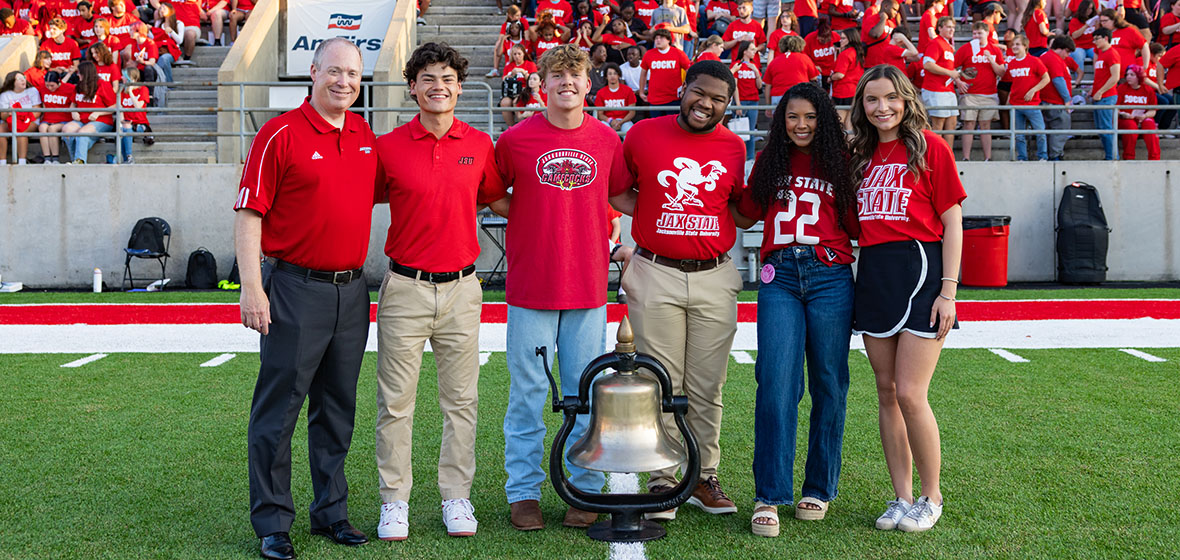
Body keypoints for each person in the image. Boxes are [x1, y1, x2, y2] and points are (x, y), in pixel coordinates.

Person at [233, 38, 377, 560]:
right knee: (279, 409)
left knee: (337, 409)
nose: (344, 82)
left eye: (353, 75)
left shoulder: (364, 134)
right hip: (294, 287)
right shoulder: (280, 133)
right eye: (334, 71)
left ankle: (331, 512)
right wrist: (252, 287)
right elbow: (249, 215)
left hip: (354, 291)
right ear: (312, 72)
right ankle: (273, 522)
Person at [495, 43, 632, 532]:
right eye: (557, 76)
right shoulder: (514, 139)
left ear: (588, 84)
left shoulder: (607, 141)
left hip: (588, 287)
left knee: (585, 393)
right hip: (532, 285)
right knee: (528, 394)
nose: (567, 84)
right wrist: (533, 217)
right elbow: (493, 193)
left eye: (575, 77)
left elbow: (619, 196)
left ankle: (583, 488)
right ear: (542, 84)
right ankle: (523, 492)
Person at [372, 42, 505, 542]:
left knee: (461, 401)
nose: (438, 86)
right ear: (412, 87)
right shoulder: (388, 146)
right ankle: (394, 502)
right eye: (428, 78)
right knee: (395, 403)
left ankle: (456, 497)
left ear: (460, 87)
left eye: (447, 78)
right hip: (405, 287)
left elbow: (503, 201)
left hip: (462, 289)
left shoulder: (480, 143)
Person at [609, 59, 746, 523]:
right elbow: (620, 193)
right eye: (699, 93)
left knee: (709, 384)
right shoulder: (643, 134)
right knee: (659, 380)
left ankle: (703, 474)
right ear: (683, 89)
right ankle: (664, 477)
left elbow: (735, 206)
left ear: (729, 105)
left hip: (713, 274)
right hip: (656, 271)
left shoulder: (733, 146)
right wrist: (655, 221)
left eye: (718, 99)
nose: (705, 104)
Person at [735, 82, 858, 537]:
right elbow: (745, 213)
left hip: (829, 273)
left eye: (809, 117)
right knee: (775, 381)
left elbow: (856, 225)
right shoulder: (771, 160)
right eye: (792, 117)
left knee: (829, 381)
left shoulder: (841, 161)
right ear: (780, 120)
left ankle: (819, 487)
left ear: (822, 118)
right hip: (780, 274)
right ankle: (769, 492)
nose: (800, 125)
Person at [848, 63, 964, 534]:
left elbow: (953, 220)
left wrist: (949, 292)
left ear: (906, 100)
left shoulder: (929, 147)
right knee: (886, 392)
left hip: (921, 270)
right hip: (875, 272)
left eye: (891, 98)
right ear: (862, 105)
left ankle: (931, 497)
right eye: (872, 100)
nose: (882, 108)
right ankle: (901, 496)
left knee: (913, 393)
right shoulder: (859, 156)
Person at [954, 22, 1006, 160]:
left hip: (989, 93)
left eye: (979, 33)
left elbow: (1002, 72)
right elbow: (952, 67)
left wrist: (991, 59)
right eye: (974, 33)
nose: (976, 36)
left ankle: (988, 158)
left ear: (987, 34)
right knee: (968, 123)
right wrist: (958, 81)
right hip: (970, 93)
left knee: (985, 125)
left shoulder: (994, 50)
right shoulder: (966, 49)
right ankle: (966, 157)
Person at [1005, 33, 1050, 160]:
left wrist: (1033, 90)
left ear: (1025, 46)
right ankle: (1022, 157)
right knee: (1019, 135)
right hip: (1016, 104)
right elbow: (1012, 84)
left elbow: (1046, 78)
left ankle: (1042, 157)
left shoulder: (1035, 61)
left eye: (1017, 44)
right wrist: (1009, 101)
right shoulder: (1012, 63)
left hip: (1032, 104)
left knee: (1040, 132)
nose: (1014, 47)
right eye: (1013, 44)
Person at [922, 16, 965, 148]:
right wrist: (949, 73)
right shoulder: (936, 43)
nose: (952, 30)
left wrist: (956, 79)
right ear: (940, 28)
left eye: (953, 27)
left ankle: (948, 156)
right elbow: (927, 64)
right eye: (948, 27)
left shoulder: (948, 45)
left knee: (951, 126)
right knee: (938, 127)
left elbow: (948, 69)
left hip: (948, 90)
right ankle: (936, 157)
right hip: (935, 89)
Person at [61, 60, 114, 164]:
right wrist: (74, 112)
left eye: (79, 73)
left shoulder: (103, 84)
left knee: (82, 133)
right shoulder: (79, 85)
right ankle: (75, 160)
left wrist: (98, 112)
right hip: (82, 119)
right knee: (67, 129)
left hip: (101, 120)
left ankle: (80, 161)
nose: (78, 75)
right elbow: (73, 103)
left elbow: (114, 106)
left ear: (86, 73)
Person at [639, 28, 691, 116]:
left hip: (673, 98)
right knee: (657, 127)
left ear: (668, 40)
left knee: (672, 126)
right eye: (656, 38)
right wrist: (641, 91)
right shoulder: (649, 54)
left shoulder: (678, 53)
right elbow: (643, 74)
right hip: (655, 99)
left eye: (661, 38)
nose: (658, 40)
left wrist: (684, 89)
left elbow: (689, 71)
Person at [1040, 35, 1076, 160]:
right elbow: (1058, 80)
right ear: (1060, 48)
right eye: (1067, 51)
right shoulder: (1053, 58)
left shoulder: (1047, 57)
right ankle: (1055, 156)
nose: (1068, 55)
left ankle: (1051, 155)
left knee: (1052, 131)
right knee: (1060, 129)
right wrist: (1067, 100)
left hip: (1050, 101)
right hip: (1055, 102)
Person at [1116, 64, 1161, 159]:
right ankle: (1129, 157)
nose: (1128, 77)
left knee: (1149, 123)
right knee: (1130, 126)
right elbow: (1115, 109)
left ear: (1139, 76)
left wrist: (1145, 116)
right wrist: (1123, 114)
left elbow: (1153, 111)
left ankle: (1155, 158)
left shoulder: (1148, 90)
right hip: (1125, 119)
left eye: (1132, 75)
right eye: (1127, 74)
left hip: (1142, 118)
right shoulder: (1121, 88)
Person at [0, 70, 42, 165]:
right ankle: (2, 161)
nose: (23, 80)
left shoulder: (32, 91)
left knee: (20, 130)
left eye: (24, 78)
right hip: (11, 121)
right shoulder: (5, 95)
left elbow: (37, 111)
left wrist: (23, 117)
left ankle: (21, 161)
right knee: (0, 130)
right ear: (12, 82)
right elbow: (3, 115)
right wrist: (9, 113)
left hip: (30, 120)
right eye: (19, 79)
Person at [1091, 27, 1121, 159]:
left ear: (1106, 38)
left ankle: (1112, 156)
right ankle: (1110, 155)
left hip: (1106, 96)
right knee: (1102, 129)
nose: (1095, 41)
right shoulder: (1102, 53)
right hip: (1100, 96)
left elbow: (1115, 77)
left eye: (1097, 38)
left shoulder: (1111, 54)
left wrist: (1100, 92)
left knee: (1106, 128)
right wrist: (1094, 91)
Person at [732, 40, 764, 159]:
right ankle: (739, 157)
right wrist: (738, 104)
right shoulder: (736, 65)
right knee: (740, 133)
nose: (754, 51)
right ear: (745, 51)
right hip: (742, 101)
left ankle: (750, 158)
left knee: (751, 132)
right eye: (752, 49)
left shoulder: (754, 65)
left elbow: (760, 86)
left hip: (753, 100)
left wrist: (756, 72)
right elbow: (735, 86)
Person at [37, 70, 74, 164]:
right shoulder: (42, 89)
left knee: (52, 129)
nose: (49, 88)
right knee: (42, 127)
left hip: (64, 119)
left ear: (59, 82)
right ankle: (47, 158)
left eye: (52, 85)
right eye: (47, 85)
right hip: (48, 118)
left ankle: (56, 159)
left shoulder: (70, 88)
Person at [830, 29, 864, 130]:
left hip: (843, 91)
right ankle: (851, 145)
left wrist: (831, 78)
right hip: (854, 90)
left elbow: (840, 75)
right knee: (849, 122)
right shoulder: (858, 52)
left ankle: (840, 145)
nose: (841, 40)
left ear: (851, 39)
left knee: (839, 121)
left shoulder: (845, 54)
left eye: (843, 38)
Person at [116, 67, 150, 163]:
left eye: (124, 76)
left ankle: (129, 157)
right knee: (123, 128)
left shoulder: (143, 89)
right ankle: (126, 158)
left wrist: (131, 91)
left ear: (131, 78)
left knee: (126, 127)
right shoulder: (121, 92)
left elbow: (138, 106)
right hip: (127, 123)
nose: (122, 78)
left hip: (140, 123)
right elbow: (121, 111)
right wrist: (121, 125)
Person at [593, 62, 638, 131]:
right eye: (610, 74)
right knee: (603, 130)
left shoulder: (628, 90)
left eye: (615, 73)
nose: (612, 76)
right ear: (606, 76)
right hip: (608, 121)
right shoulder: (600, 93)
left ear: (619, 75)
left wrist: (621, 122)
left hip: (624, 121)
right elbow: (600, 114)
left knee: (629, 132)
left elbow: (632, 112)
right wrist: (611, 121)